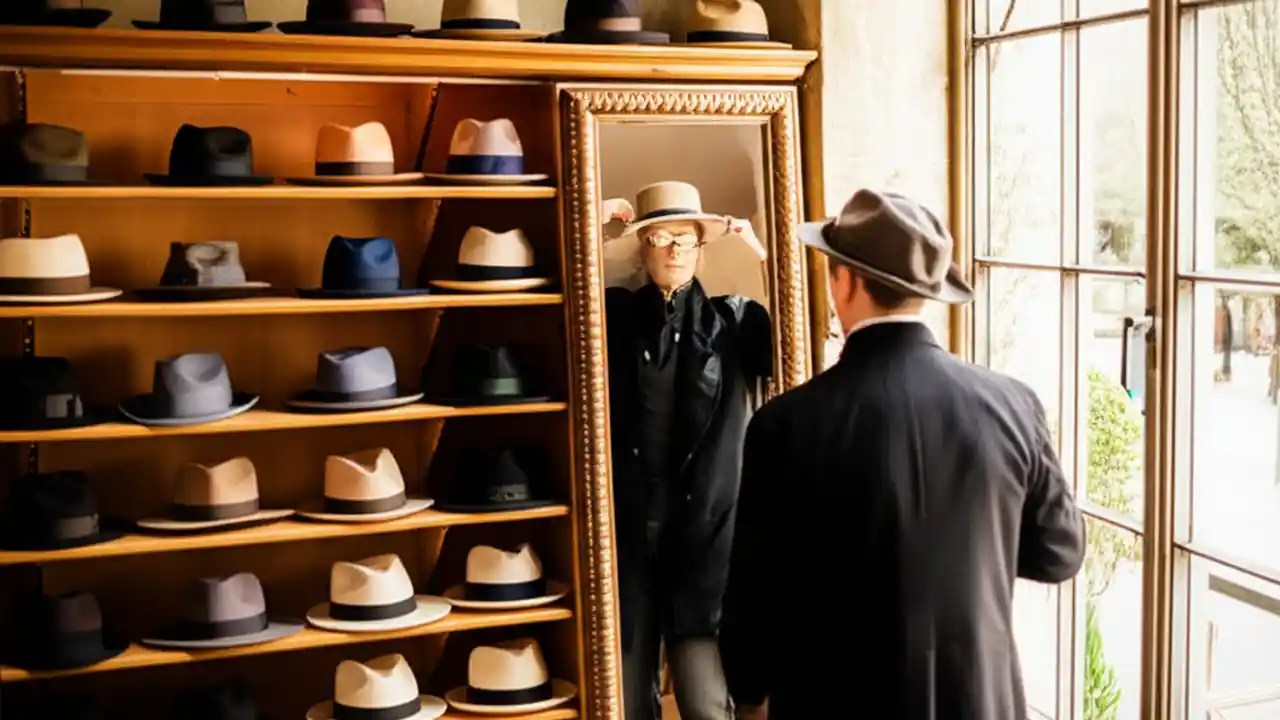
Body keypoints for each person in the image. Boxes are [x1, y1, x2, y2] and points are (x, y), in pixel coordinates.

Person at [719, 188, 1085, 719]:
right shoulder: (1013, 404)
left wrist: (749, 694)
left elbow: (753, 606)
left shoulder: (786, 425)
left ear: (843, 281)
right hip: (980, 702)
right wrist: (972, 546)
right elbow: (1059, 553)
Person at [602, 180, 772, 720]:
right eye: (661, 237)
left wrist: (764, 255)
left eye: (687, 237)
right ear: (642, 245)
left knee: (704, 699)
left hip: (706, 534)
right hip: (629, 530)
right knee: (626, 696)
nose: (675, 248)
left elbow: (804, 330)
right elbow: (551, 296)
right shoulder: (612, 316)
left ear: (702, 247)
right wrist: (588, 217)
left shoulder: (738, 320)